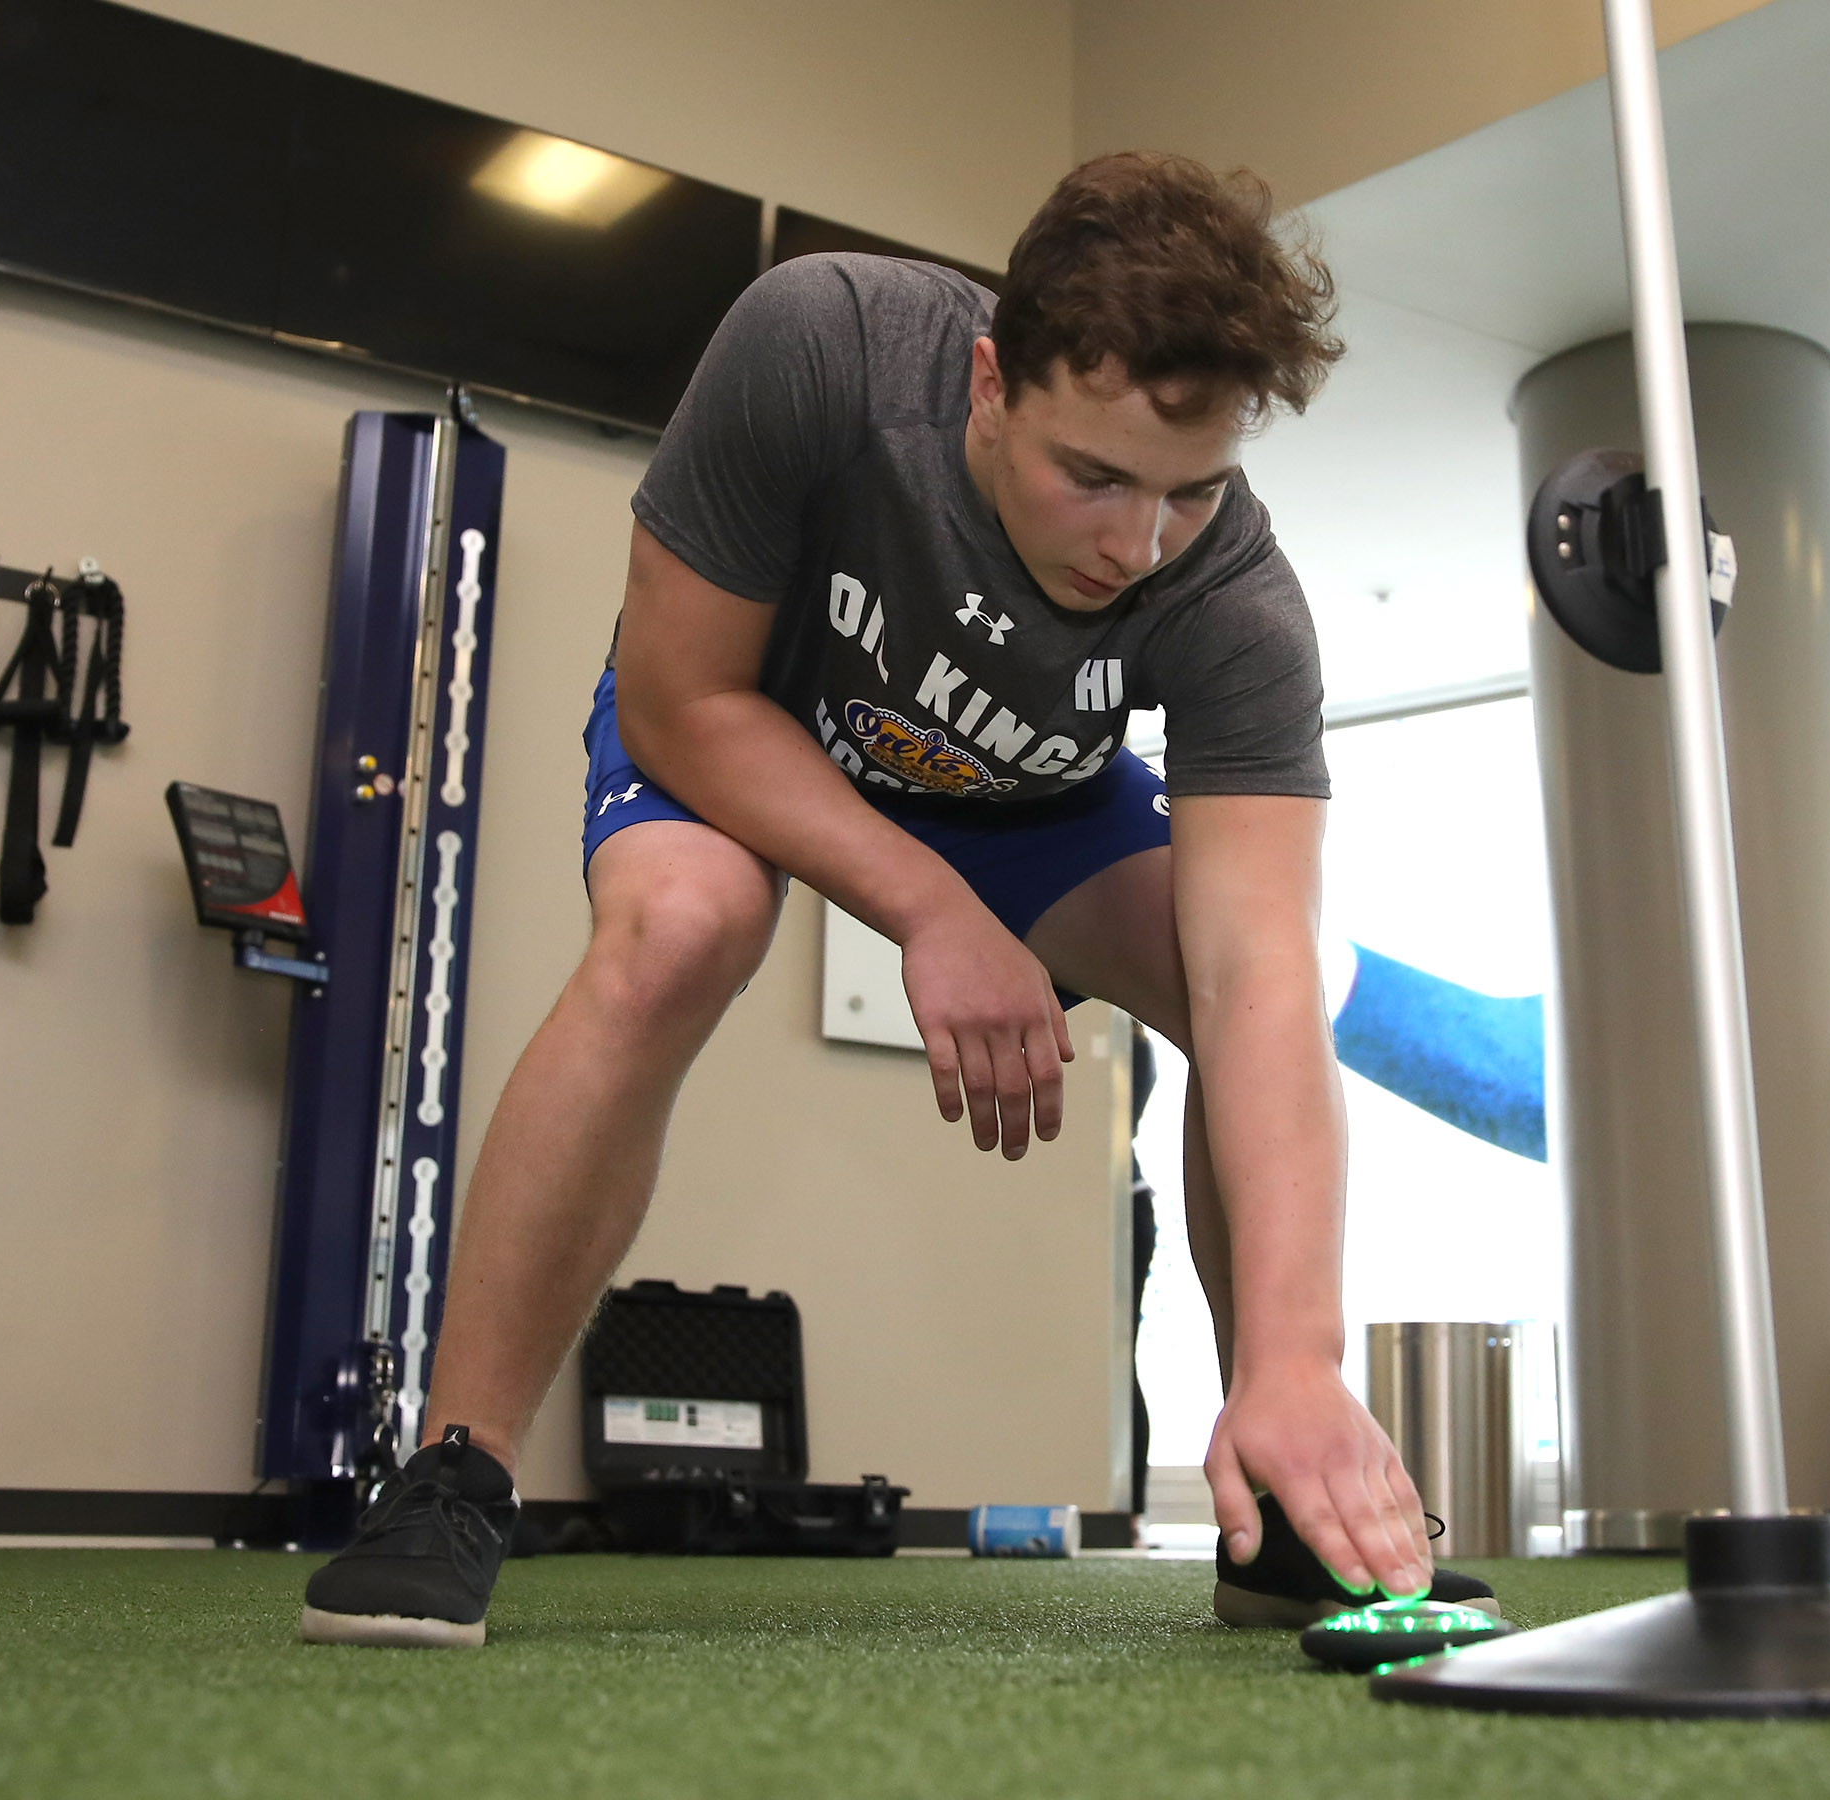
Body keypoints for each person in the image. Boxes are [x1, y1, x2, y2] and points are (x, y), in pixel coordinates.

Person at [298, 153, 1490, 1648]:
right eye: (1094, 477)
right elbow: (678, 701)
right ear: (992, 382)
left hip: (1025, 791)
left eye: (1190, 491)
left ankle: (1283, 1504)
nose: (1136, 546)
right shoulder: (825, 345)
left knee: (1239, 994)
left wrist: (1300, 1356)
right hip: (758, 721)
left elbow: (1261, 975)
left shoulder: (1237, 605)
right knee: (682, 927)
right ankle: (452, 1471)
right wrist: (931, 911)